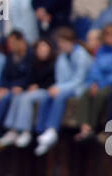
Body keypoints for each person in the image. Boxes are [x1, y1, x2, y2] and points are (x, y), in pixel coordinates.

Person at [32, 26, 91, 155]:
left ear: (71, 41)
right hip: (64, 86)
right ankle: (41, 130)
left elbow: (79, 80)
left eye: (63, 43)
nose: (61, 46)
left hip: (80, 88)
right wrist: (56, 87)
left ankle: (52, 129)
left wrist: (60, 88)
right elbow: (59, 78)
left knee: (60, 96)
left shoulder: (82, 55)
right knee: (46, 96)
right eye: (59, 43)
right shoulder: (61, 57)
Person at [73, 23, 112, 141]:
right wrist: (95, 82)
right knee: (85, 94)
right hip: (99, 82)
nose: (109, 37)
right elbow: (95, 68)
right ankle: (84, 127)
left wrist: (101, 84)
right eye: (107, 35)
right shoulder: (101, 50)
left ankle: (93, 126)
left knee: (100, 95)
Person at [0, 37, 56, 149]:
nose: (42, 50)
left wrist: (38, 86)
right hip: (34, 90)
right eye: (40, 48)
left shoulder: (54, 62)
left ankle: (25, 131)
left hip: (46, 91)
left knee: (26, 99)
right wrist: (24, 87)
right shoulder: (35, 62)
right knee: (18, 97)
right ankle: (13, 130)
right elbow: (29, 79)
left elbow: (54, 81)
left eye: (44, 48)